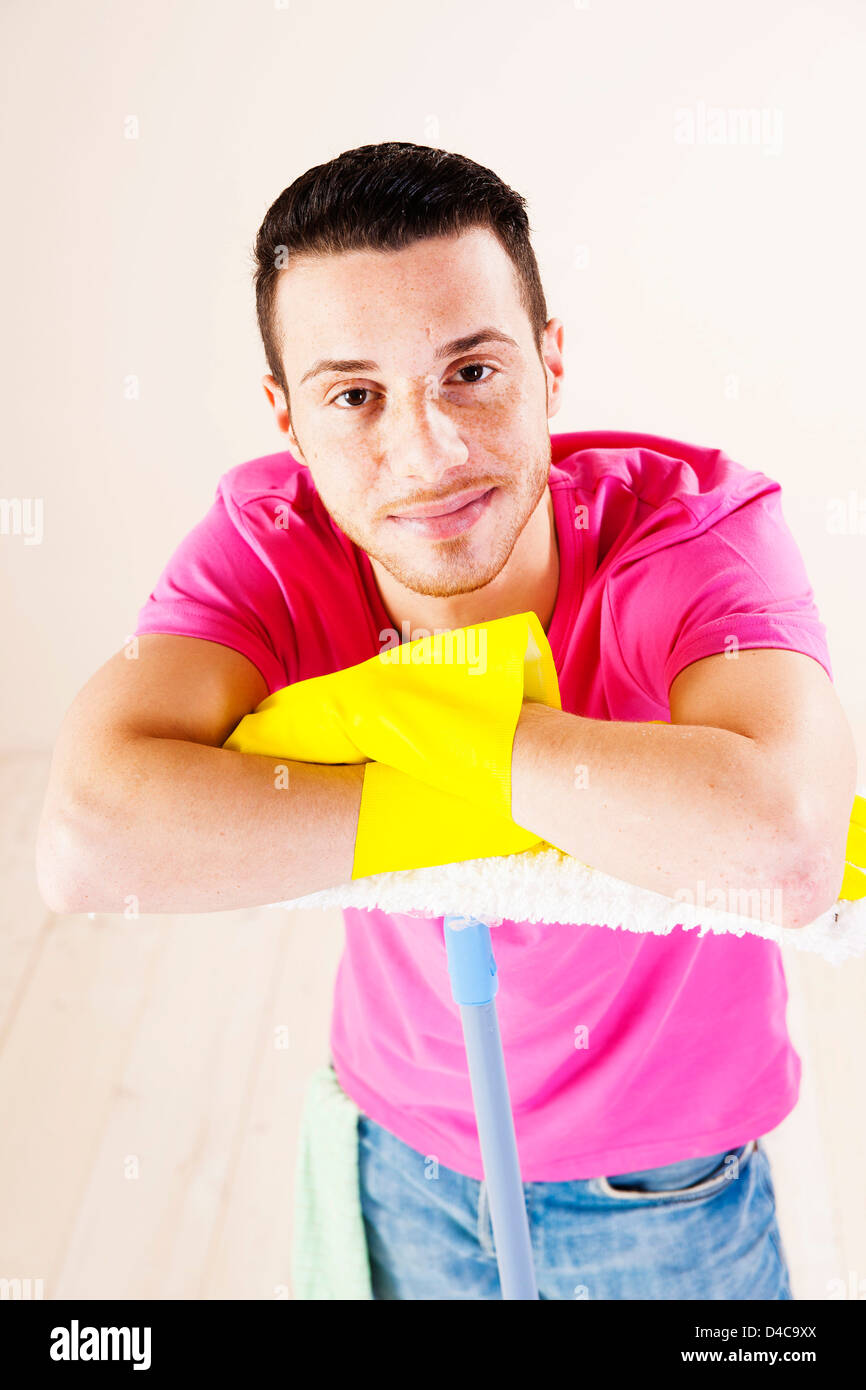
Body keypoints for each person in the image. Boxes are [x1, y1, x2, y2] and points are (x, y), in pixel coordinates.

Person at [36, 141, 856, 1300]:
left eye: (470, 372)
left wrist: (402, 717)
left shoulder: (694, 534)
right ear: (288, 417)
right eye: (354, 395)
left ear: (548, 361)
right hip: (402, 1152)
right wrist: (499, 764)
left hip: (661, 1191)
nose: (427, 451)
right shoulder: (274, 540)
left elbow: (780, 853)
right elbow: (89, 841)